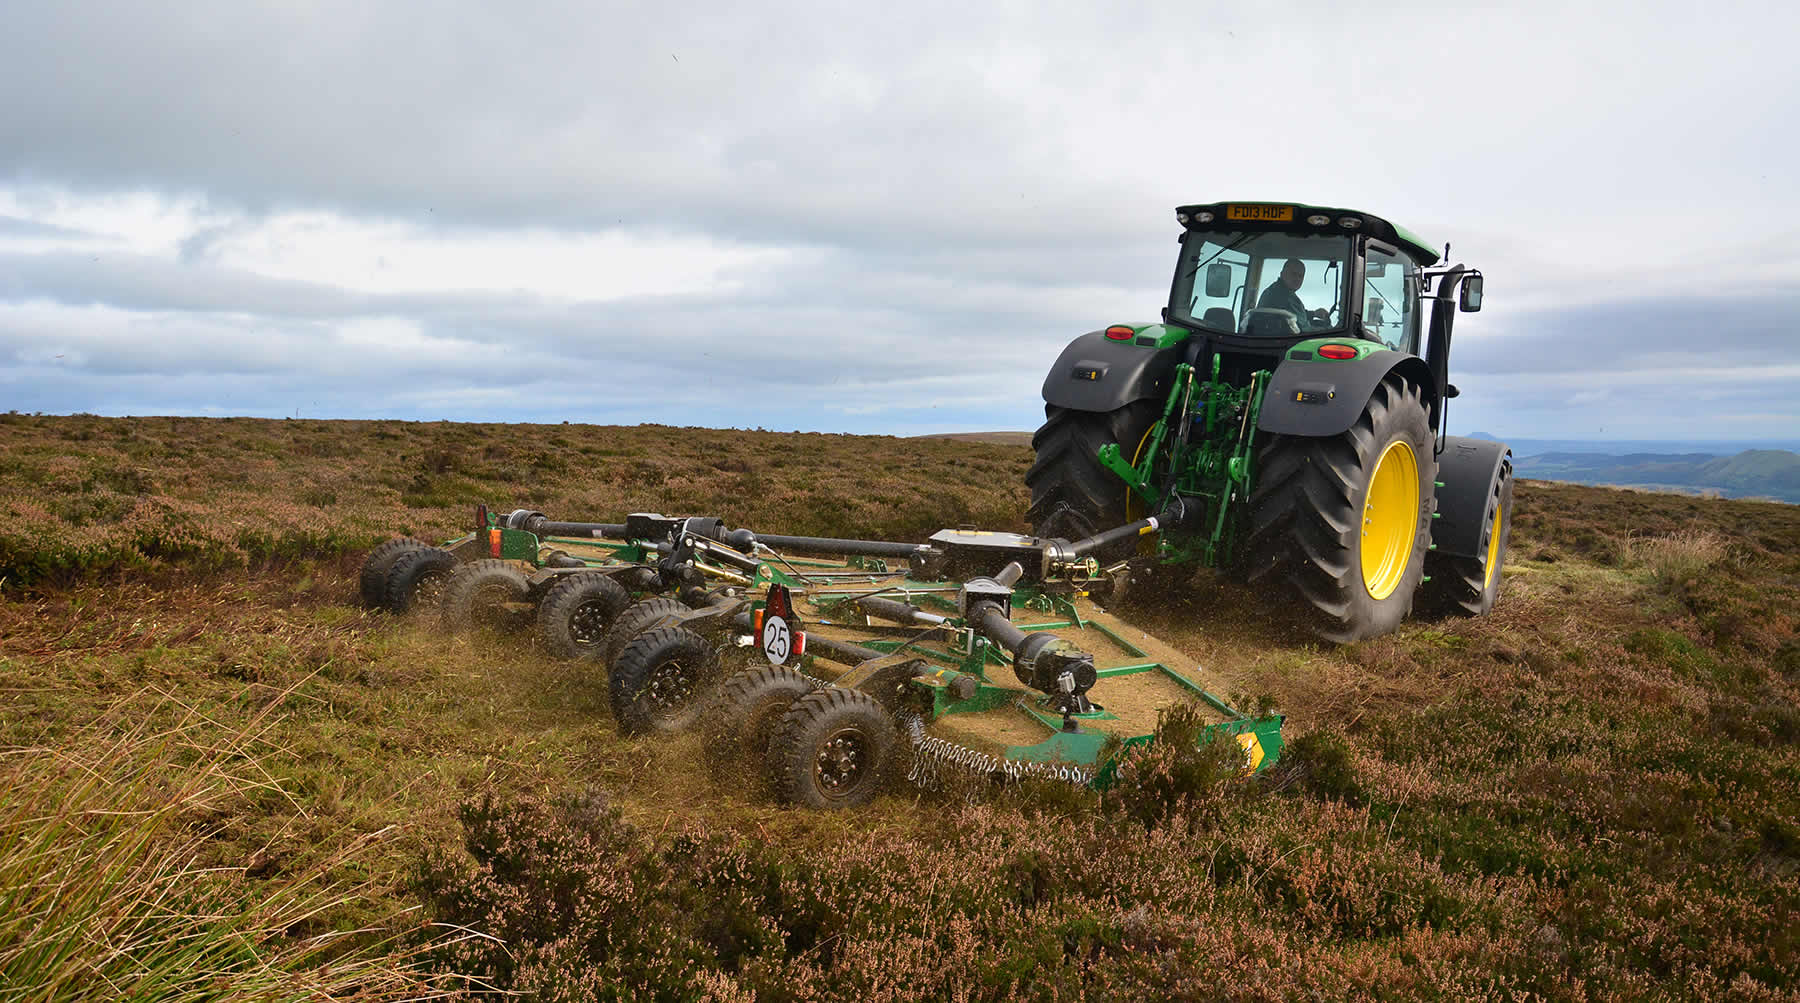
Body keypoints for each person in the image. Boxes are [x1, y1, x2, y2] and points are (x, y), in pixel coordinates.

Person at [1257, 258, 1331, 330]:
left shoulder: (1275, 290)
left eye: (1300, 276)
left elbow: (1294, 315)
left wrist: (1314, 314)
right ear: (1282, 274)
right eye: (1293, 274)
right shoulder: (1284, 296)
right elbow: (1302, 328)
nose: (1297, 279)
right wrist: (1327, 330)